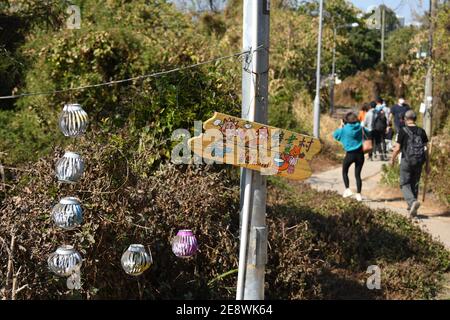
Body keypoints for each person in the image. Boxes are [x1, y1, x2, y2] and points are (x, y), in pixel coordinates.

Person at [391, 110, 429, 218]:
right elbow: (426, 149)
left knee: (404, 183)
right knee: (415, 184)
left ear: (405, 119)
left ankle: (412, 202)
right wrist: (427, 164)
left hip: (406, 161)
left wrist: (392, 159)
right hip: (419, 161)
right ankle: (413, 211)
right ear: (415, 119)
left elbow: (397, 148)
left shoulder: (402, 131)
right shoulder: (421, 131)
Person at [333, 112, 370, 202]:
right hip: (360, 154)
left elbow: (335, 135)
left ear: (346, 120)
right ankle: (359, 195)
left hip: (350, 154)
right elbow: (368, 133)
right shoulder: (360, 128)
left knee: (344, 171)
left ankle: (347, 189)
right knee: (358, 175)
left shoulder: (344, 129)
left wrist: (341, 126)